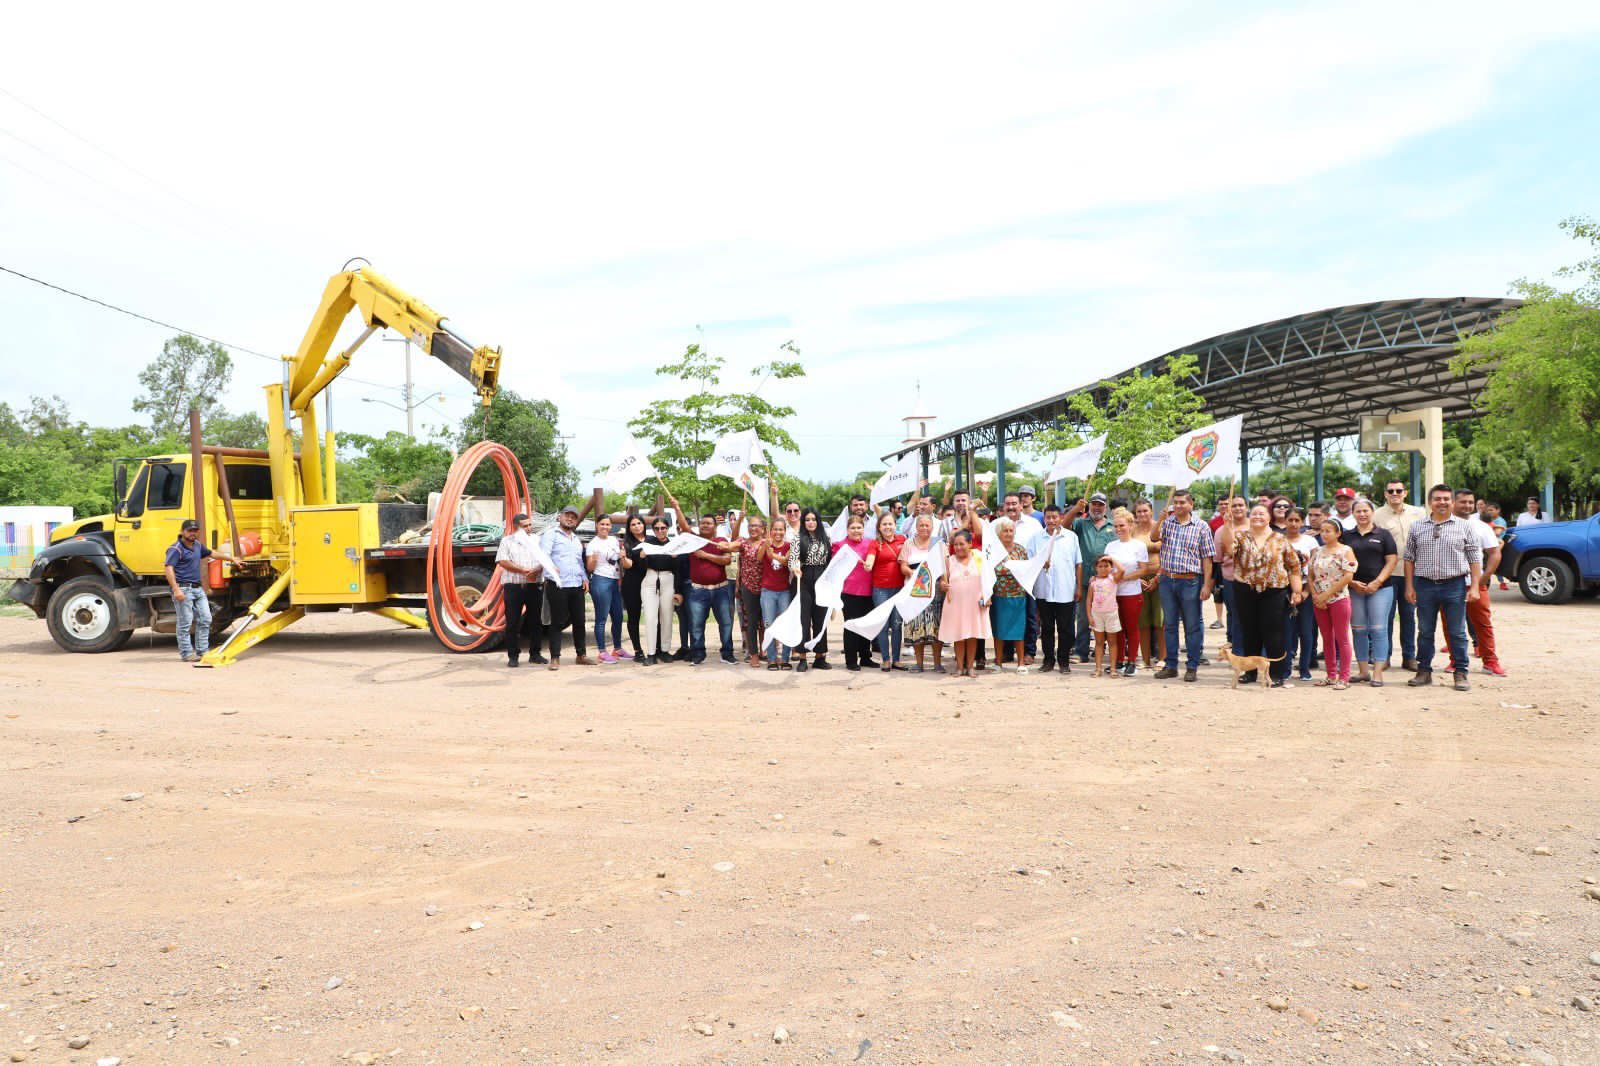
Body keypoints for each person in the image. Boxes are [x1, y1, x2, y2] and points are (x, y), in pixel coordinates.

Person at [1403, 484, 1483, 692]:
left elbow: (1474, 558)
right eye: (1438, 498)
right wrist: (1409, 586)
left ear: (1452, 502)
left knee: (1457, 632)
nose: (1442, 502)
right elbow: (1409, 559)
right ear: (1430, 502)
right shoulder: (1417, 527)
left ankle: (1461, 672)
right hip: (1425, 585)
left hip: (1454, 585)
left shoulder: (1465, 526)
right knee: (1425, 631)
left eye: (1446, 499)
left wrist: (1474, 586)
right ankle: (1424, 671)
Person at [1217, 503, 1303, 687]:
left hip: (1274, 590)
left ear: (1269, 518)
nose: (1257, 517)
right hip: (1245, 589)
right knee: (1249, 631)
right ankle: (1250, 673)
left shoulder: (1280, 539)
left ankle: (1277, 674)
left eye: (1261, 514)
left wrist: (1297, 591)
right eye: (1254, 513)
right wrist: (1227, 526)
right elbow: (1229, 549)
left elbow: (1294, 567)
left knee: (1274, 633)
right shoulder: (1240, 537)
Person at [1152, 490, 1216, 683]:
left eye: (1182, 502)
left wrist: (1206, 584)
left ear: (1191, 505)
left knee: (1192, 625)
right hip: (1167, 579)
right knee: (1170, 625)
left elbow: (1207, 558)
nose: (1178, 506)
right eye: (1176, 502)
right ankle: (1171, 665)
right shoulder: (1167, 523)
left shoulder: (1201, 526)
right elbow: (1154, 537)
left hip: (1190, 581)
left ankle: (1192, 666)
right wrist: (1160, 520)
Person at [165, 518, 236, 663]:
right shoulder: (175, 549)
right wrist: (176, 589)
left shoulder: (197, 545)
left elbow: (212, 554)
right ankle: (186, 653)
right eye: (189, 530)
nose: (193, 533)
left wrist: (232, 559)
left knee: (206, 618)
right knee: (185, 622)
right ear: (182, 532)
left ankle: (202, 651)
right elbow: (168, 568)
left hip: (198, 589)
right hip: (183, 589)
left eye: (195, 530)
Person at [1452, 489, 1506, 677]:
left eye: (1470, 502)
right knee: (1451, 624)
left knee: (1482, 623)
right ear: (1453, 503)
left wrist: (1483, 579)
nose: (1467, 505)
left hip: (1474, 583)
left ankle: (1490, 661)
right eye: (1462, 502)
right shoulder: (1441, 525)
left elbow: (1494, 553)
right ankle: (1455, 660)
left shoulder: (1481, 527)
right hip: (1447, 584)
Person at [1343, 499, 1397, 685]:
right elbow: (1340, 563)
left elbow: (1391, 561)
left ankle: (1378, 673)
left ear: (1372, 512)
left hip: (1381, 589)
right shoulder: (1346, 536)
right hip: (1354, 588)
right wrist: (1352, 582)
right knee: (1358, 630)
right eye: (1358, 511)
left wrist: (1377, 581)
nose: (1362, 514)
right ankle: (1363, 671)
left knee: (1378, 630)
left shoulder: (1383, 535)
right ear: (1353, 514)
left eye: (1366, 510)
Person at [1373, 480, 1425, 671]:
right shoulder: (1377, 516)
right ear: (1385, 494)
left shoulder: (1418, 513)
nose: (1395, 493)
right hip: (1386, 573)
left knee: (1409, 616)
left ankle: (1409, 657)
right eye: (1391, 491)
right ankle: (1383, 657)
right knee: (1385, 617)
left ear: (1405, 493)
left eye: (1399, 490)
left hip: (1412, 572)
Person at [1306, 518, 1357, 689]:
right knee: (1326, 637)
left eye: (1329, 530)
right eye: (1322, 530)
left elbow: (1348, 576)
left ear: (1338, 533)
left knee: (1341, 637)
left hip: (1339, 598)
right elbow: (1310, 575)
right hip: (1319, 600)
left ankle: (1345, 677)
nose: (1324, 534)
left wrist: (1326, 595)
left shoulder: (1345, 551)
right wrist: (1315, 595)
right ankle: (1331, 675)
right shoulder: (1318, 551)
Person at [1067, 492, 1116, 663]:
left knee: (1109, 615)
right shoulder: (1081, 524)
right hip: (1085, 578)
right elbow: (1064, 526)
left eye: (1100, 504)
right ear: (1089, 505)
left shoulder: (1113, 526)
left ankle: (1109, 652)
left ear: (1106, 507)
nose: (1097, 507)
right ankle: (1081, 651)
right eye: (1094, 504)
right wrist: (1075, 510)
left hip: (1107, 581)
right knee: (1083, 617)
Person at [540, 505, 590, 669]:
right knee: (557, 622)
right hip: (558, 584)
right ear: (559, 517)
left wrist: (584, 578)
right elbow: (544, 555)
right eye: (567, 515)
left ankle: (581, 655)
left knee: (579, 621)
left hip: (576, 585)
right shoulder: (551, 535)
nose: (570, 519)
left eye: (573, 517)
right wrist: (551, 568)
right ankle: (555, 657)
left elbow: (579, 562)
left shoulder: (575, 539)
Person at [1102, 509, 1151, 677]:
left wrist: (1125, 577)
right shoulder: (1110, 546)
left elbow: (1144, 570)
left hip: (1131, 592)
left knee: (1131, 627)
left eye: (1122, 525)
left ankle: (1132, 661)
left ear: (1130, 525)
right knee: (1117, 628)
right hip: (1114, 593)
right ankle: (1119, 660)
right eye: (1116, 526)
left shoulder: (1139, 545)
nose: (1119, 529)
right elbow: (1106, 568)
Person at [1034, 503, 1082, 674]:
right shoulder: (1036, 538)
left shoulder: (1071, 537)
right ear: (1044, 518)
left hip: (1065, 589)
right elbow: (1031, 562)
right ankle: (1048, 660)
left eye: (1055, 517)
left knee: (1066, 628)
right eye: (1048, 517)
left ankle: (1063, 661)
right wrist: (1041, 563)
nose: (1052, 520)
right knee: (1046, 628)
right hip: (1043, 590)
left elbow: (1078, 563)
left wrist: (1078, 587)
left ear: (1061, 517)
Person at [937, 529, 991, 678]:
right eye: (956, 545)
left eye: (962, 544)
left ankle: (970, 667)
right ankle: (960, 667)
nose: (959, 547)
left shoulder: (980, 558)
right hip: (955, 603)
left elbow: (988, 579)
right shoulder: (949, 560)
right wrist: (942, 585)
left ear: (970, 544)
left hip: (975, 603)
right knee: (958, 635)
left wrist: (988, 596)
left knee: (972, 634)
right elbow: (943, 581)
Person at [687, 513, 739, 666]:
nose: (705, 525)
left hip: (720, 589)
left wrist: (705, 555)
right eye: (702, 523)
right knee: (696, 624)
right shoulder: (693, 540)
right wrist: (676, 507)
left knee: (726, 623)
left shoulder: (721, 541)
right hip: (698, 590)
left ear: (715, 527)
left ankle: (727, 653)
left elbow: (727, 560)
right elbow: (684, 526)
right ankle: (698, 654)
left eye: (709, 523)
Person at [494, 513, 544, 668]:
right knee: (513, 621)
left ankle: (535, 654)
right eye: (525, 526)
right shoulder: (507, 541)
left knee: (536, 621)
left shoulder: (537, 540)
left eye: (530, 525)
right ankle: (513, 656)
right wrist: (523, 571)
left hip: (534, 585)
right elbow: (503, 561)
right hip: (514, 587)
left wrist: (537, 570)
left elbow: (545, 559)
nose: (529, 528)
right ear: (516, 527)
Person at [900, 513, 946, 673]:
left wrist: (943, 581)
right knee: (916, 627)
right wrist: (915, 575)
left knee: (936, 628)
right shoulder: (908, 543)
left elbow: (944, 566)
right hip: (914, 592)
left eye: (927, 525)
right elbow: (903, 566)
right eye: (921, 525)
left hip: (935, 593)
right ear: (916, 527)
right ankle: (919, 664)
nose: (924, 528)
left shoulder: (938, 543)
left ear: (932, 527)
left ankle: (937, 664)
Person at [791, 507, 833, 672]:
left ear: (818, 521)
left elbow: (830, 560)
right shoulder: (798, 538)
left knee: (820, 618)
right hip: (803, 579)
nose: (810, 522)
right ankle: (802, 657)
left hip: (822, 579)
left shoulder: (826, 538)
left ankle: (820, 656)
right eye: (807, 520)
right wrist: (795, 568)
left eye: (813, 519)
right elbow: (793, 558)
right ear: (803, 522)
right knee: (803, 620)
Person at [988, 517, 1032, 674]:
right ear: (999, 534)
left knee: (1019, 630)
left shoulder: (1020, 550)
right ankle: (998, 663)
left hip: (1018, 595)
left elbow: (1028, 569)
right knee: (998, 630)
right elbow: (987, 572)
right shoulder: (992, 549)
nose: (1008, 533)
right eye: (1005, 531)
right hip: (999, 595)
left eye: (1011, 530)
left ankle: (1021, 663)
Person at [1280, 508, 1319, 682]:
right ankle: (1286, 667)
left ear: (1302, 522)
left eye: (1297, 520)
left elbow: (1315, 571)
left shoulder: (1310, 541)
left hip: (1306, 589)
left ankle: (1305, 668)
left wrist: (1305, 593)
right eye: (1290, 520)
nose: (1294, 524)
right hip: (1283, 590)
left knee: (1306, 630)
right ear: (1285, 521)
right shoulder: (1278, 540)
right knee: (1286, 631)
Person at [835, 515, 877, 671]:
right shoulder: (840, 546)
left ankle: (866, 657)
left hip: (868, 591)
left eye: (859, 527)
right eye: (852, 528)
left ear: (863, 529)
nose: (856, 530)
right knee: (851, 626)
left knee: (866, 626)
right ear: (847, 530)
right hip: (849, 592)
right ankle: (851, 660)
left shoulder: (870, 544)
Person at [585, 515, 629, 663]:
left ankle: (617, 649)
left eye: (608, 524)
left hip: (614, 581)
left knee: (618, 616)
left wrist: (623, 556)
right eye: (602, 524)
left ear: (611, 526)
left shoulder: (614, 540)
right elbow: (589, 568)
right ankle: (602, 652)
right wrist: (594, 560)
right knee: (602, 618)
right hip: (600, 581)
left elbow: (618, 560)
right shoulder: (592, 544)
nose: (605, 527)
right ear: (597, 525)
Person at [635, 516, 678, 664]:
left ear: (667, 529)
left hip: (668, 579)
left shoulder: (672, 545)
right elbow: (638, 565)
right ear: (653, 530)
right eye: (657, 528)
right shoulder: (648, 543)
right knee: (650, 617)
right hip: (651, 579)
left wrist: (675, 558)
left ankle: (665, 650)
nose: (660, 531)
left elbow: (678, 568)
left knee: (667, 617)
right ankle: (651, 653)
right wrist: (642, 557)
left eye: (663, 528)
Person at [869, 512, 908, 670]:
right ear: (879, 527)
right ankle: (885, 659)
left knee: (897, 625)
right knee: (883, 625)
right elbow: (870, 559)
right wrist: (868, 564)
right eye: (884, 524)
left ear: (895, 525)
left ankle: (896, 659)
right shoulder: (875, 544)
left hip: (899, 589)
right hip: (880, 590)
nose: (887, 527)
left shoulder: (903, 540)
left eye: (890, 524)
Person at [1131, 499, 1165, 670]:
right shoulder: (1132, 531)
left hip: (1160, 575)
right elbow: (1129, 555)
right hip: (1139, 578)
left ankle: (1162, 657)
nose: (1142, 514)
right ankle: (1144, 659)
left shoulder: (1160, 527)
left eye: (1145, 511)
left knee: (1160, 620)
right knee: (1142, 620)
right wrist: (1137, 577)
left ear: (1151, 511)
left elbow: (1167, 553)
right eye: (1139, 512)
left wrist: (1157, 577)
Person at [757, 517, 794, 670]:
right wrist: (765, 546)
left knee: (786, 624)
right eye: (775, 529)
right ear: (770, 531)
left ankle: (785, 658)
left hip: (784, 591)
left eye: (781, 529)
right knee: (769, 624)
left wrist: (774, 556)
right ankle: (772, 658)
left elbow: (788, 562)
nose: (778, 532)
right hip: (768, 591)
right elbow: (759, 558)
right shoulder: (766, 544)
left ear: (785, 531)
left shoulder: (789, 546)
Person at [1214, 496, 1249, 652]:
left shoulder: (1256, 526)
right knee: (1236, 617)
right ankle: (1238, 653)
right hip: (1231, 579)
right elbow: (1219, 557)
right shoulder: (1221, 531)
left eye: (1241, 505)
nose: (1237, 508)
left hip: (1254, 579)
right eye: (1234, 506)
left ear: (1246, 507)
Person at [734, 513, 768, 667]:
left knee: (766, 622)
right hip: (748, 587)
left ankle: (765, 650)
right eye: (750, 525)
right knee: (752, 622)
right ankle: (753, 654)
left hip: (767, 587)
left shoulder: (767, 543)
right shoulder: (743, 542)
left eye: (756, 526)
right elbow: (732, 542)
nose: (753, 528)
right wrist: (739, 520)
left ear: (763, 529)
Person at [1086, 556, 1121, 678]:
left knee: (1112, 642)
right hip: (1097, 615)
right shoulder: (1093, 582)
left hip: (1111, 614)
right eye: (1100, 566)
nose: (1103, 569)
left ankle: (1113, 669)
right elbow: (1089, 600)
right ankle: (1098, 668)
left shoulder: (1113, 579)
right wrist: (1089, 615)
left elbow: (1122, 571)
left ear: (1111, 567)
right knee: (1099, 642)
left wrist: (1111, 558)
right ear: (1095, 568)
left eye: (1106, 566)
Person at [619, 515, 648, 659]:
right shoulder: (627, 543)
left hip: (650, 582)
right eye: (633, 524)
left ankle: (657, 648)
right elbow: (628, 565)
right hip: (632, 583)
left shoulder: (652, 541)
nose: (637, 526)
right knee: (634, 617)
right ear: (629, 528)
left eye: (639, 523)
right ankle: (638, 650)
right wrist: (623, 557)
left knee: (653, 616)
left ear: (643, 525)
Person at [1482, 502, 1510, 590]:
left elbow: (1498, 533)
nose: (1489, 512)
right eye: (1488, 510)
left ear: (1498, 510)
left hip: (1493, 546)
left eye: (1491, 510)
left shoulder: (1500, 521)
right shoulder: (1489, 521)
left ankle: (1484, 586)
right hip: (1487, 546)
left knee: (1488, 568)